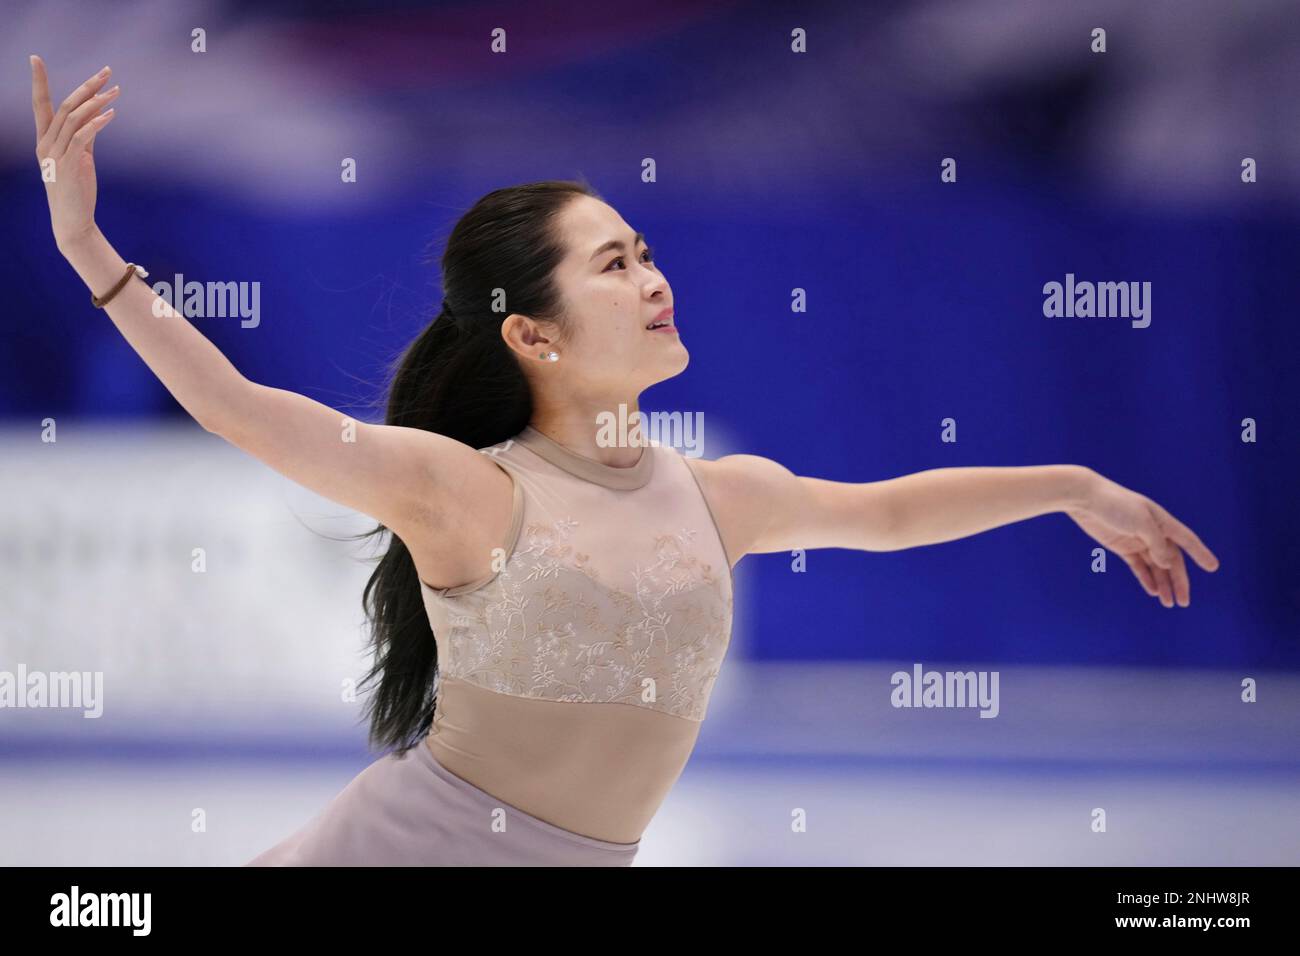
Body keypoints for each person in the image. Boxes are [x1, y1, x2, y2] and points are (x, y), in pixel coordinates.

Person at [30, 57, 1221, 866]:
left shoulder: (722, 495)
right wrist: (88, 245)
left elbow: (894, 512)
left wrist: (1075, 488)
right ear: (532, 333)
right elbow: (239, 406)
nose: (652, 279)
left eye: (643, 251)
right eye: (612, 265)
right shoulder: (470, 490)